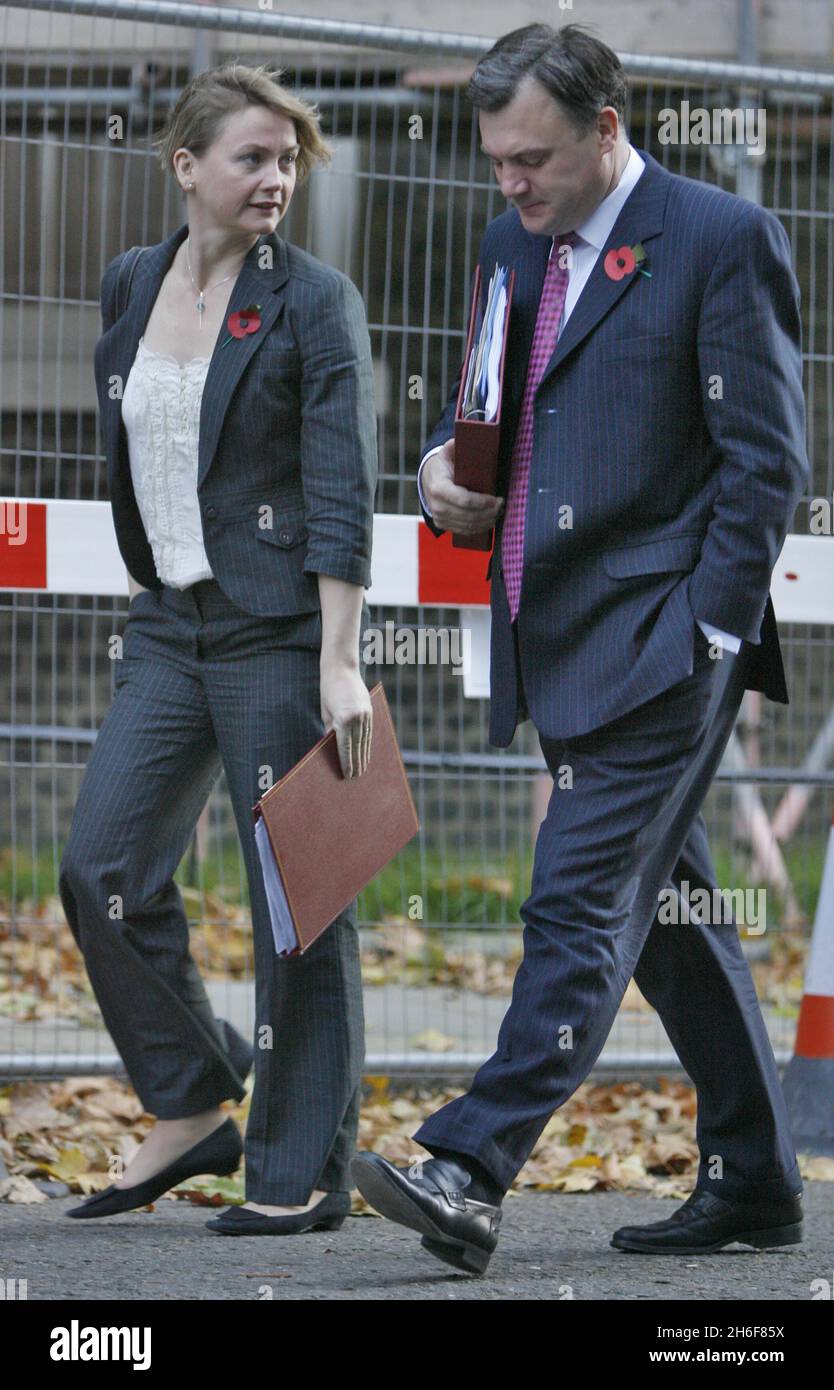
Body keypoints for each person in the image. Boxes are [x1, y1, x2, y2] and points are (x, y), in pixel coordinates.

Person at [351, 23, 809, 1274]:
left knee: (576, 898)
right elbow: (486, 408)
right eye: (497, 160)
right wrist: (448, 469)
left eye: (534, 159)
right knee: (666, 914)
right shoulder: (515, 241)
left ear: (608, 129)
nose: (511, 183)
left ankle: (469, 1163)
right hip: (550, 626)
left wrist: (709, 629)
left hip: (663, 641)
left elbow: (768, 461)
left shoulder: (720, 237)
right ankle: (757, 1181)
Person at [58, 62, 377, 1235]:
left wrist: (338, 657)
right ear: (187, 166)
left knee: (302, 904)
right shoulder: (131, 283)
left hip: (279, 635)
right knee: (102, 869)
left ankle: (301, 1173)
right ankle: (195, 1102)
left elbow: (342, 487)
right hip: (167, 628)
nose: (277, 178)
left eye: (289, 159)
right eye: (253, 156)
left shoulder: (313, 300)